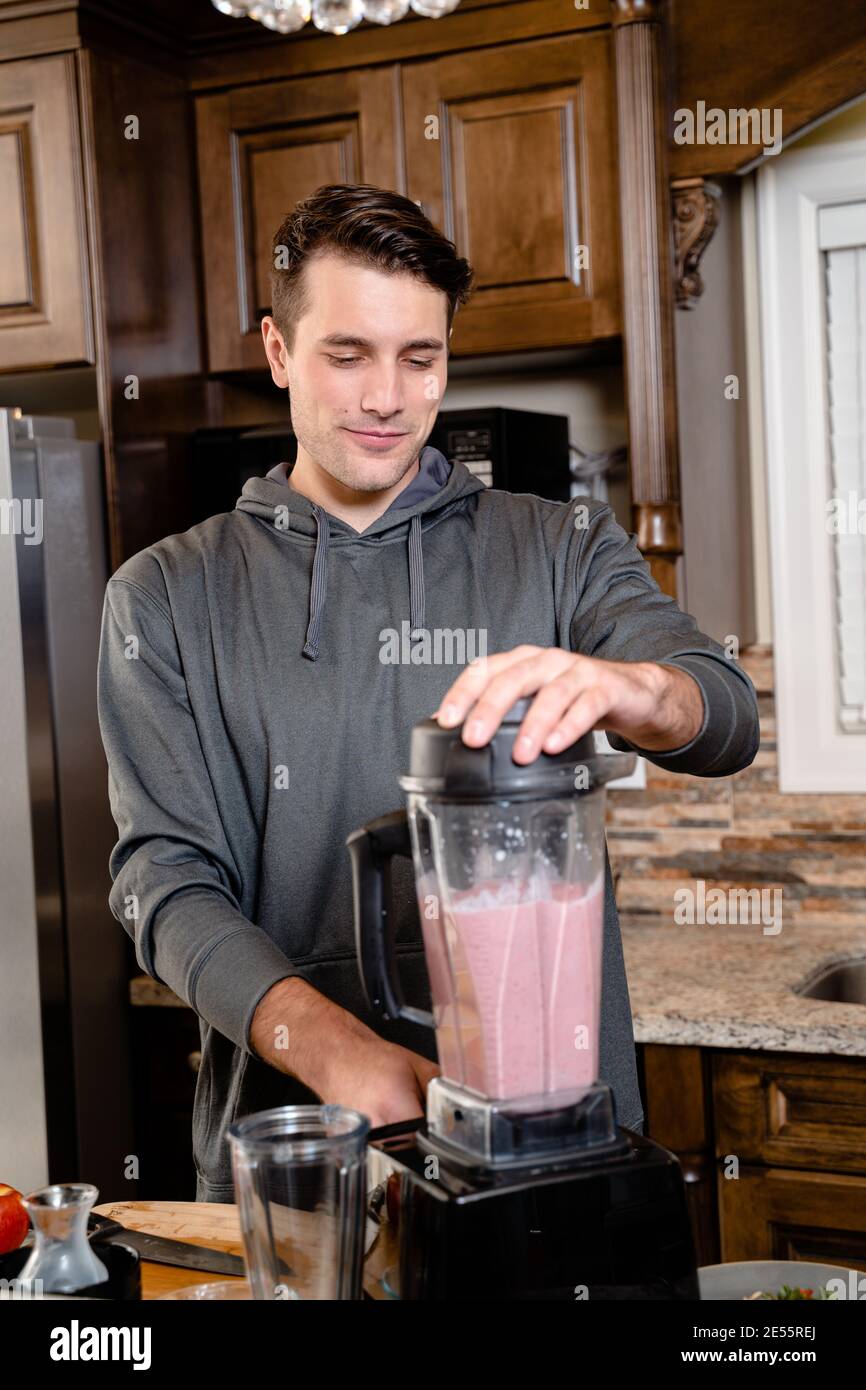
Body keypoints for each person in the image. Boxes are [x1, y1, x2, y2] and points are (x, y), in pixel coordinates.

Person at [97, 183, 760, 1202]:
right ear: (277, 352)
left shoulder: (555, 546)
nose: (386, 398)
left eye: (420, 358)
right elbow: (167, 885)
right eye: (346, 354)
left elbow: (717, 714)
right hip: (300, 1151)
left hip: (553, 1145)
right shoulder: (167, 595)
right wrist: (338, 1055)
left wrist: (623, 684)